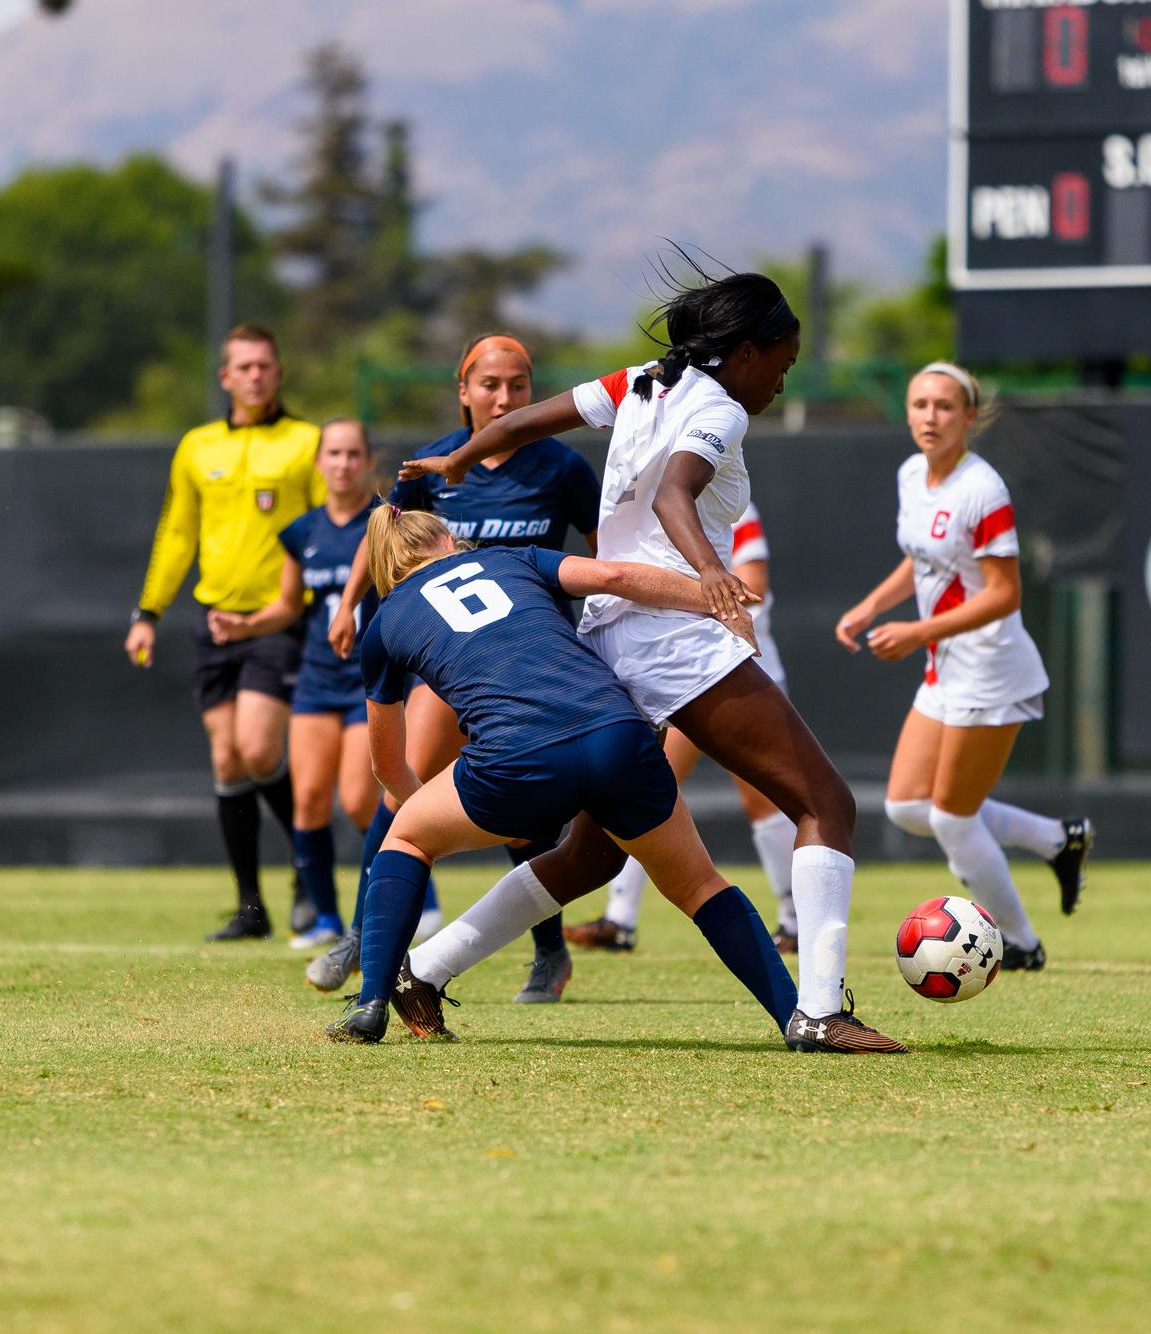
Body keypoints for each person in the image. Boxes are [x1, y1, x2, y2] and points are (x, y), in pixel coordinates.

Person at [397, 259, 905, 1054]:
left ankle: (424, 970)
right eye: (783, 361)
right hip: (669, 639)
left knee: (594, 855)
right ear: (744, 352)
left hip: (604, 633)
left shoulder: (642, 380)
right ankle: (818, 1011)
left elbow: (526, 425)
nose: (781, 381)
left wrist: (459, 460)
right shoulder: (720, 409)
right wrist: (710, 572)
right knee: (825, 806)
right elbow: (676, 493)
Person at [328, 507, 796, 1046]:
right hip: (618, 732)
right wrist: (711, 600)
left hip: (516, 760)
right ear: (445, 538)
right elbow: (614, 576)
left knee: (405, 836)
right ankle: (796, 1016)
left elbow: (387, 766)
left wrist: (454, 815)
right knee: (698, 884)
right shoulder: (507, 558)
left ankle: (371, 1006)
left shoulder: (385, 623)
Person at [308, 333, 601, 1001]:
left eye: (519, 385)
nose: (504, 397)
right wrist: (350, 603)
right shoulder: (432, 467)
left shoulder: (562, 468)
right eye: (490, 384)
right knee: (398, 791)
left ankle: (550, 953)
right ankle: (365, 932)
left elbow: (601, 549)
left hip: (535, 662)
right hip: (452, 660)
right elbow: (384, 533)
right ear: (462, 390)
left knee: (527, 816)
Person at [835, 362, 1093, 972]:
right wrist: (871, 605)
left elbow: (1005, 593)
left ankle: (1023, 944)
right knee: (906, 807)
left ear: (970, 417)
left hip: (990, 668)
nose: (930, 416)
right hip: (943, 663)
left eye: (945, 406)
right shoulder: (910, 475)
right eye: (920, 404)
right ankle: (1056, 840)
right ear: (906, 412)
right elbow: (923, 562)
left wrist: (916, 630)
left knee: (952, 817)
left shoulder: (984, 489)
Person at [124, 324, 320, 941]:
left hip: (277, 621)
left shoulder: (306, 443)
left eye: (265, 364)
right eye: (244, 366)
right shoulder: (197, 446)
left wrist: (319, 604)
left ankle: (309, 876)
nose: (255, 374)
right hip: (213, 621)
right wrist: (147, 613)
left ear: (279, 373)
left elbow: (330, 528)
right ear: (225, 377)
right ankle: (251, 907)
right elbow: (178, 532)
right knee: (227, 758)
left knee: (260, 749)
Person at [563, 503, 800, 954]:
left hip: (731, 669)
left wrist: (683, 598)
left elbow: (755, 587)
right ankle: (619, 919)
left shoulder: (732, 504)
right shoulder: (647, 504)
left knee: (763, 798)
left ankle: (795, 922)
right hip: (675, 670)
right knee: (651, 788)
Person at [205, 418, 381, 953]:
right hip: (315, 680)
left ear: (368, 461)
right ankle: (326, 919)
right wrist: (246, 625)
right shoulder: (302, 531)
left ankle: (402, 899)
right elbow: (287, 606)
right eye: (334, 453)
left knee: (358, 802)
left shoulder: (385, 524)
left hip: (367, 681)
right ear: (318, 463)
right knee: (306, 799)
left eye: (353, 453)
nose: (344, 463)